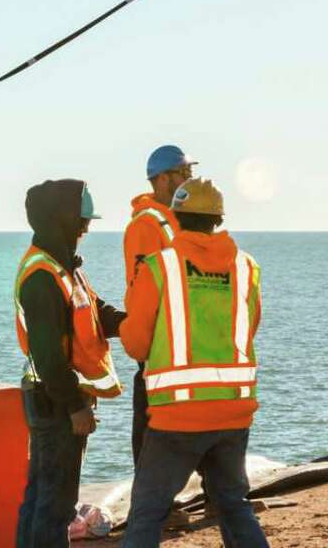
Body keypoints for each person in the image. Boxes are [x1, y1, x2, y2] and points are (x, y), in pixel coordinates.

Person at [119, 177, 270, 548]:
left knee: (147, 511)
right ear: (218, 218)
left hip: (178, 415)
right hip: (233, 411)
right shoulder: (245, 267)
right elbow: (250, 326)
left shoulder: (160, 266)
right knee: (233, 504)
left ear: (176, 216)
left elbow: (136, 344)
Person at [15, 179, 123, 548]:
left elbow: (95, 312)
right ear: (61, 220)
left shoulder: (63, 268)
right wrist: (75, 406)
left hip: (51, 398)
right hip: (55, 401)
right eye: (81, 220)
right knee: (56, 505)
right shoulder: (42, 276)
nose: (87, 228)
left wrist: (134, 322)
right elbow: (48, 356)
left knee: (40, 497)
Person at [124, 144, 197, 464]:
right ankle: (154, 508)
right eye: (185, 173)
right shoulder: (147, 224)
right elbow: (144, 290)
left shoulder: (176, 220)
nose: (191, 179)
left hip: (182, 344)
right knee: (153, 425)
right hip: (160, 346)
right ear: (164, 178)